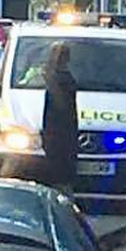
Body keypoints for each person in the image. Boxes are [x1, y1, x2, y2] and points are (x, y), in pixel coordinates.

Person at [42, 42, 79, 191]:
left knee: (61, 172)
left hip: (62, 131)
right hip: (56, 130)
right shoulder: (59, 76)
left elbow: (62, 103)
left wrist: (50, 82)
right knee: (58, 172)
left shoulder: (60, 77)